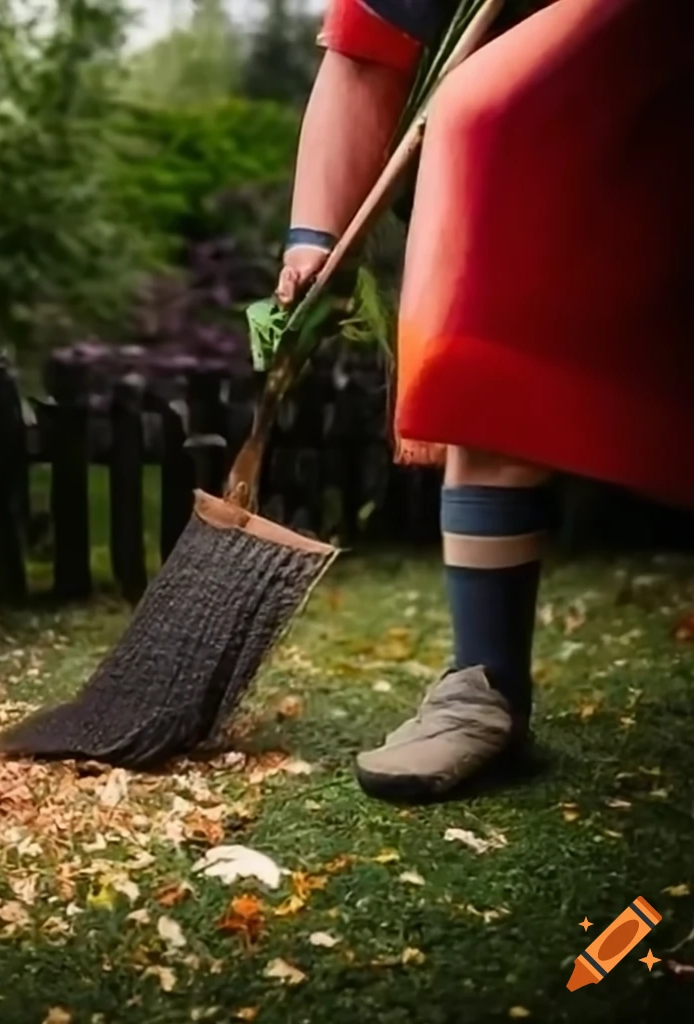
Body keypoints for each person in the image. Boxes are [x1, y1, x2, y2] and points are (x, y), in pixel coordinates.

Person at [277, 0, 693, 802]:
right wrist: (314, 240)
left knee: (485, 118)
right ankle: (485, 685)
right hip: (537, 187)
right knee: (483, 305)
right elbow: (370, 47)